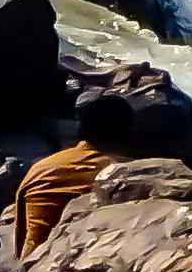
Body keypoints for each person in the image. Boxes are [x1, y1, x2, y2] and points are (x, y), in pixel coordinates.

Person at [10, 89, 142, 262]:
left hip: (31, 263)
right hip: (83, 265)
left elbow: (20, 236)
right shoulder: (129, 172)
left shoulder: (40, 168)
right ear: (128, 132)